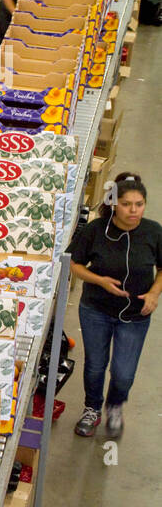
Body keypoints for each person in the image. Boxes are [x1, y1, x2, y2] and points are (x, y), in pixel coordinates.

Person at [68, 173, 162, 441]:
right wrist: (100, 281)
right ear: (114, 204)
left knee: (123, 373)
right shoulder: (96, 231)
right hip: (96, 310)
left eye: (139, 204)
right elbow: (74, 264)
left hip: (136, 315)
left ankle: (116, 408)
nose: (134, 210)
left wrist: (154, 294)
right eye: (127, 204)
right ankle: (92, 409)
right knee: (96, 365)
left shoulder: (154, 232)